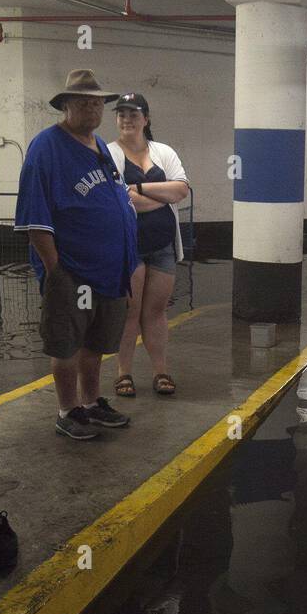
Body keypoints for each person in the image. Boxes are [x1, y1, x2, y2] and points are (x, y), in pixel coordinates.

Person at [13, 69, 138, 440]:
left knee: (96, 341)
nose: (92, 108)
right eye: (83, 101)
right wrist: (56, 271)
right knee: (67, 341)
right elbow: (35, 218)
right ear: (65, 105)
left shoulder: (100, 146)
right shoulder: (46, 147)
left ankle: (90, 402)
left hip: (108, 270)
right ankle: (67, 410)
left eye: (98, 102)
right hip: (72, 270)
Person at [107, 92, 190, 398]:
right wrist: (160, 195)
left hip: (163, 246)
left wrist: (139, 187)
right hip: (129, 248)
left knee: (155, 311)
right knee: (131, 311)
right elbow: (118, 198)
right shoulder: (109, 153)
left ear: (146, 119)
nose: (127, 119)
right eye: (122, 114)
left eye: (133, 114)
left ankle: (160, 371)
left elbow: (181, 190)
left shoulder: (163, 152)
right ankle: (124, 373)